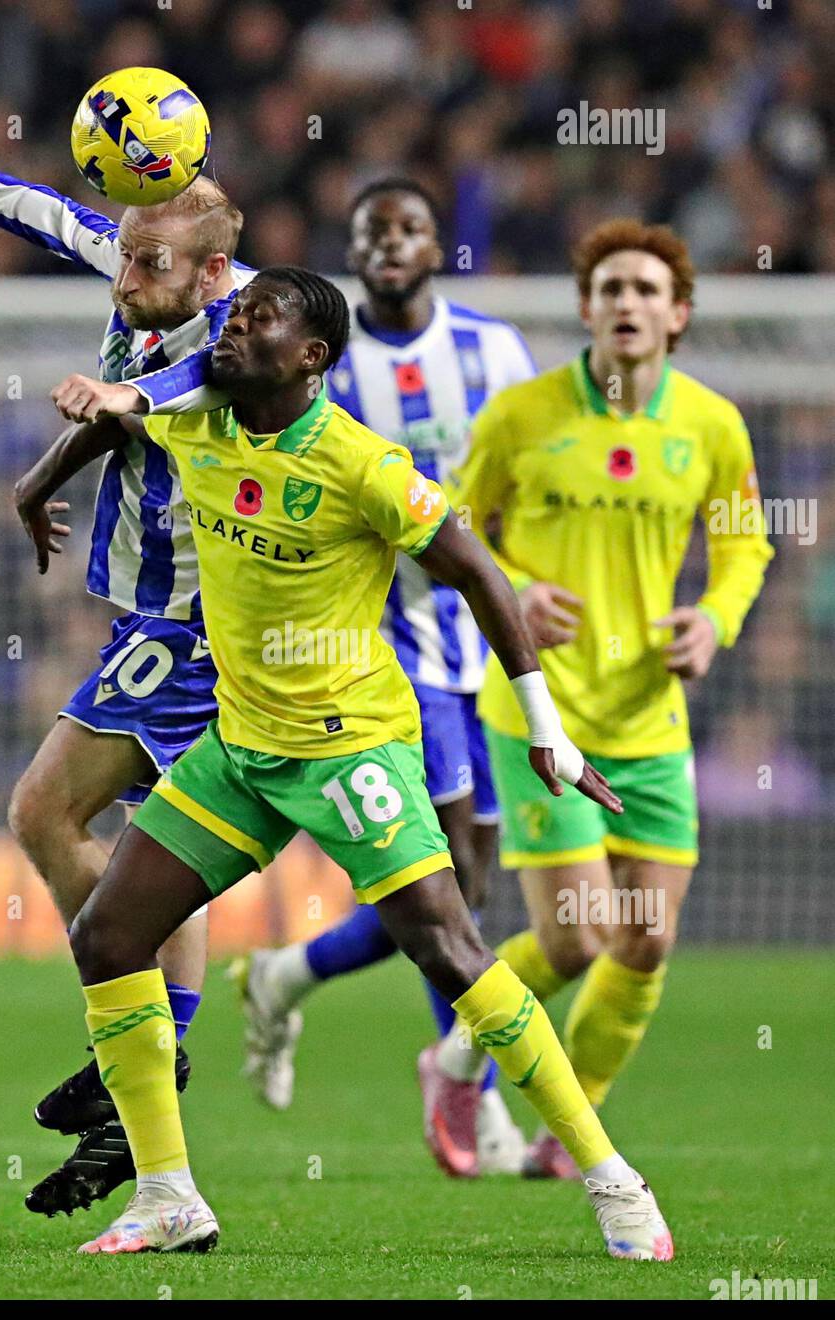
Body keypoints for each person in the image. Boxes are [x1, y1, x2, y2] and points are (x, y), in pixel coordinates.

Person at [47, 265, 674, 1261]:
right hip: (241, 750)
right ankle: (167, 1197)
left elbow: (477, 571)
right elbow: (119, 420)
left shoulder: (360, 463)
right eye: (236, 315)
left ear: (313, 360)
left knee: (451, 951)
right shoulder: (200, 421)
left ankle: (613, 1179)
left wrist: (546, 723)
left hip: (353, 749)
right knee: (107, 937)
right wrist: (38, 484)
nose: (235, 328)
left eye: (260, 322)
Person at [0, 151, 252, 1212]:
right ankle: (153, 1107)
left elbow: (192, 383)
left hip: (195, 625)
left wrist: (123, 392)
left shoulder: (240, 327)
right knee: (157, 846)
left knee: (44, 810)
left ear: (212, 268)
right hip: (156, 614)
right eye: (125, 257)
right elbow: (49, 217)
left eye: (148, 264)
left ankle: (141, 1039)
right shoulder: (142, 263)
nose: (125, 280)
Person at [448, 219, 773, 1178]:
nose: (626, 303)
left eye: (645, 290)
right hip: (537, 706)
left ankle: (564, 1127)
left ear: (676, 314)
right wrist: (514, 585)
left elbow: (746, 541)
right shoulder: (522, 414)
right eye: (610, 288)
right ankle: (459, 1056)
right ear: (586, 308)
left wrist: (715, 617)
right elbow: (458, 530)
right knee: (578, 931)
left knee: (643, 939)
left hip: (648, 715)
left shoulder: (710, 425)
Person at [230, 179, 534, 1178]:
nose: (389, 245)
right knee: (442, 877)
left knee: (469, 879)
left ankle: (286, 972)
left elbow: (523, 492)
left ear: (435, 244)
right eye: (370, 234)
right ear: (353, 255)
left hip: (477, 637)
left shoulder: (494, 354)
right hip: (384, 641)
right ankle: (471, 1089)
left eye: (406, 229)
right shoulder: (324, 365)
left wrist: (536, 592)